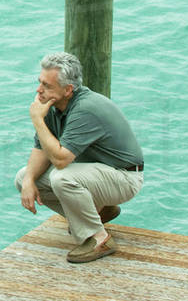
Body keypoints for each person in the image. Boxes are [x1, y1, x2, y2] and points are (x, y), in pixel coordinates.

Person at [13, 52, 144, 263]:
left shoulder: (85, 110)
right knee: (23, 177)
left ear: (68, 90)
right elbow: (42, 149)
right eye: (39, 83)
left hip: (125, 178)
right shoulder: (54, 107)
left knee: (61, 178)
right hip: (97, 175)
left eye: (47, 86)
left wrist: (37, 120)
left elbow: (61, 160)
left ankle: (99, 239)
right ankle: (99, 211)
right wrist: (28, 181)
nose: (39, 90)